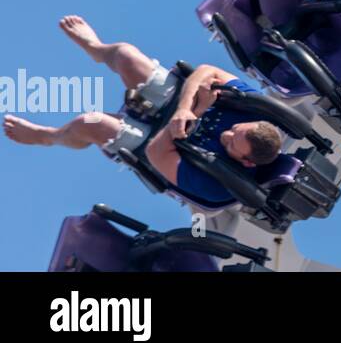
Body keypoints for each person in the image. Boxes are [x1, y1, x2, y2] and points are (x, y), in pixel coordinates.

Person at [3, 16, 283, 207]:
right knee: (126, 55)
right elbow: (207, 71)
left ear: (246, 162)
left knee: (91, 122)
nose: (229, 132)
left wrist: (196, 111)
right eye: (236, 129)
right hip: (178, 104)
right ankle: (95, 48)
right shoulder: (254, 112)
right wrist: (185, 107)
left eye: (233, 141)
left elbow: (156, 154)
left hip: (161, 146)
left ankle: (49, 136)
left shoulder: (219, 184)